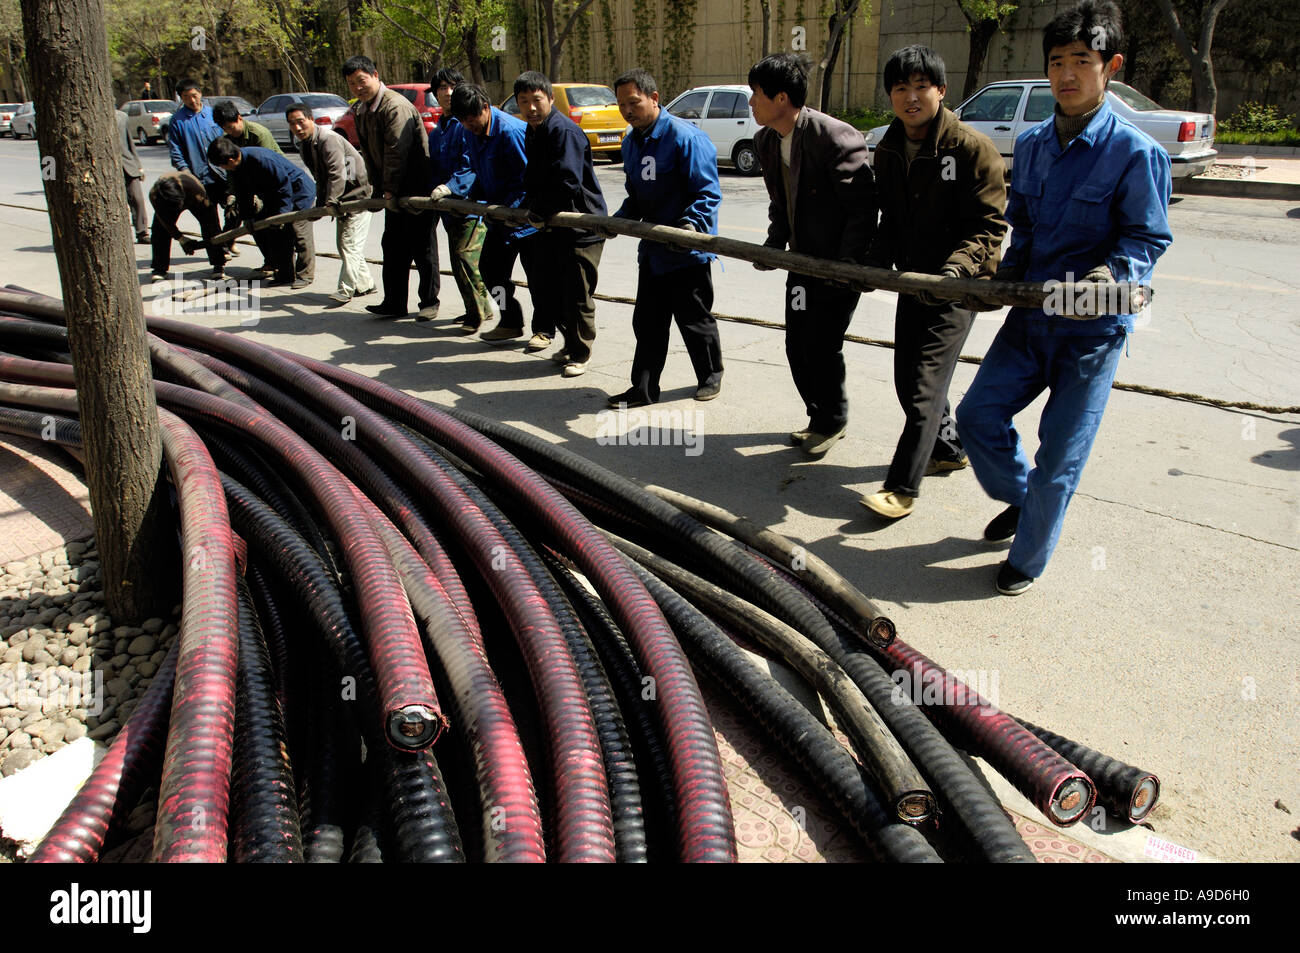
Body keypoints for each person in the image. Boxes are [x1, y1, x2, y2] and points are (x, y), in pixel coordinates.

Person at [955, 0, 1172, 596]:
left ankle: (1027, 558)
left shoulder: (1135, 153)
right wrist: (1001, 274)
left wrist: (1113, 274)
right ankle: (1022, 502)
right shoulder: (1031, 146)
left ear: (1111, 66)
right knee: (976, 416)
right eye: (1057, 61)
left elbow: (1148, 236)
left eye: (1083, 59)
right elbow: (1021, 224)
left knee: (1059, 459)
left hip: (1090, 335)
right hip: (1031, 322)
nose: (1067, 74)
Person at [858, 45, 1008, 520]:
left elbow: (989, 226)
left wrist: (957, 269)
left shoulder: (970, 149)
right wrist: (874, 263)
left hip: (958, 286)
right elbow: (891, 220)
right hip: (914, 282)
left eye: (921, 86)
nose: (911, 97)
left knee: (924, 386)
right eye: (900, 88)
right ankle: (948, 449)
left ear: (940, 91)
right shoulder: (887, 148)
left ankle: (901, 488)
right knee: (908, 382)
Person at [750, 53, 875, 459]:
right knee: (797, 344)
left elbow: (861, 210)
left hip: (838, 266)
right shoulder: (767, 141)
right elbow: (780, 201)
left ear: (781, 98)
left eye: (756, 95)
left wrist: (847, 266)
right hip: (800, 266)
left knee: (822, 344)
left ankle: (832, 420)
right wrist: (774, 244)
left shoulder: (832, 137)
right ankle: (818, 415)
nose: (751, 103)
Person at [607, 68, 723, 406]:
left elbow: (707, 192)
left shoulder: (685, 138)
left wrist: (690, 227)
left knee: (694, 320)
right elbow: (636, 197)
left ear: (654, 98)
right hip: (654, 251)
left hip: (687, 250)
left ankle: (710, 374)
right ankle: (643, 389)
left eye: (634, 102)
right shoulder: (631, 143)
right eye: (621, 105)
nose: (627, 111)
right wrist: (620, 219)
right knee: (647, 322)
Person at [515, 71, 607, 378]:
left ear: (550, 99)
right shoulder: (534, 130)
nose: (530, 107)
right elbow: (536, 175)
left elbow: (568, 181)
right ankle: (569, 345)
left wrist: (539, 210)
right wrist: (530, 205)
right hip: (554, 224)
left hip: (580, 226)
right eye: (524, 101)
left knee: (578, 293)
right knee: (554, 290)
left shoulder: (563, 131)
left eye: (536, 100)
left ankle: (581, 353)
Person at [342, 54, 436, 319]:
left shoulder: (394, 106)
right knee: (393, 247)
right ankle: (394, 302)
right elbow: (369, 155)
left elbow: (397, 150)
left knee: (423, 248)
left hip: (415, 187)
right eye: (351, 84)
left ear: (375, 75)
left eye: (361, 81)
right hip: (391, 190)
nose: (358, 87)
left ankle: (429, 302)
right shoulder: (361, 110)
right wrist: (377, 188)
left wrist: (391, 189)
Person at [450, 83, 542, 344]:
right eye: (464, 121)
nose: (470, 125)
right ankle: (510, 319)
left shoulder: (510, 132)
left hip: (526, 223)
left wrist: (510, 210)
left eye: (473, 118)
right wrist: (472, 198)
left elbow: (529, 180)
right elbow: (482, 174)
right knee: (491, 272)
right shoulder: (469, 132)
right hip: (499, 222)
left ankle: (543, 329)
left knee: (538, 281)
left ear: (485, 107)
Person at [288, 102, 376, 304]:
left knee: (349, 245)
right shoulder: (305, 145)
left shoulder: (328, 139)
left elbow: (338, 174)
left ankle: (346, 290)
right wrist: (321, 205)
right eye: (292, 124)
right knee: (346, 245)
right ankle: (365, 284)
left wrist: (330, 202)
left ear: (311, 119)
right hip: (341, 200)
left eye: (301, 122)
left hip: (357, 197)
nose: (297, 128)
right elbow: (320, 178)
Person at [427, 68, 494, 333]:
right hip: (448, 208)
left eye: (451, 86)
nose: (447, 92)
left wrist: (453, 187)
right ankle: (480, 308)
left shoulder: (467, 126)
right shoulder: (437, 131)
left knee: (466, 258)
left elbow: (471, 165)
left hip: (470, 205)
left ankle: (477, 315)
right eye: (441, 88)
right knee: (458, 261)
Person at [207, 138, 317, 287]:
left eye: (222, 165)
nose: (223, 168)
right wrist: (248, 217)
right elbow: (243, 194)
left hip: (299, 193)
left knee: (299, 232)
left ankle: (305, 275)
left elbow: (284, 186)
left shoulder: (261, 159)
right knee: (277, 235)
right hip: (274, 197)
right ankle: (285, 275)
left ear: (231, 159)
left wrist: (282, 215)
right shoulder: (237, 168)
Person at [147, 169, 225, 281]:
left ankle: (218, 264)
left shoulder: (194, 188)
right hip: (167, 204)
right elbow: (165, 221)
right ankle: (160, 269)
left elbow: (208, 211)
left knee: (211, 226)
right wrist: (180, 238)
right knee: (159, 231)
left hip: (193, 198)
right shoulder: (155, 195)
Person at [116, 107, 149, 244]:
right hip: (108, 168)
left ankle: (142, 232)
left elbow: (130, 144)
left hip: (128, 164)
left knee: (138, 199)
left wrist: (138, 165)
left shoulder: (122, 117)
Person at [212, 101, 282, 154]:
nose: (229, 132)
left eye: (231, 127)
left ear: (239, 118)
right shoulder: (227, 138)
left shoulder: (259, 134)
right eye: (224, 129)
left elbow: (267, 162)